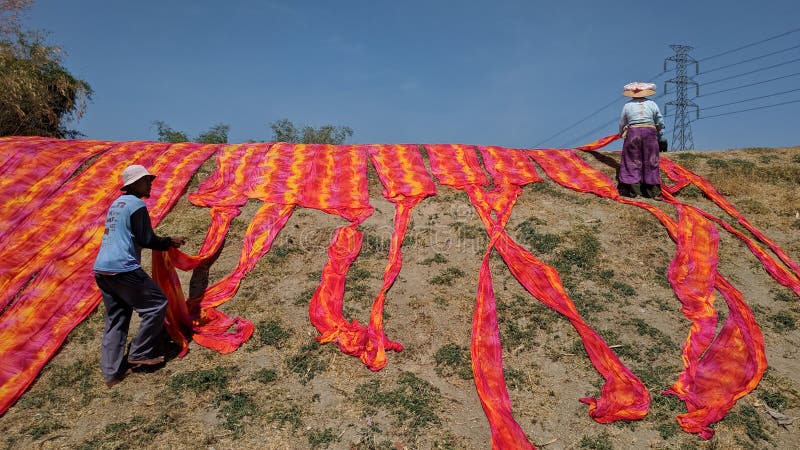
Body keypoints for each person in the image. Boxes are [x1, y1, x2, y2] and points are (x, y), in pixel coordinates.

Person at [93, 164, 186, 387]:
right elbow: (146, 239)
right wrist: (168, 242)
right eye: (146, 180)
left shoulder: (117, 204)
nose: (150, 183)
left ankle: (111, 373)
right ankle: (140, 353)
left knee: (117, 317)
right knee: (156, 304)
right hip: (123, 268)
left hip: (102, 268)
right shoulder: (136, 205)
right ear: (134, 184)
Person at [618, 81, 665, 199]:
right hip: (650, 132)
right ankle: (653, 192)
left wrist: (621, 132)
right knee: (651, 159)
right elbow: (660, 120)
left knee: (632, 159)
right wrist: (659, 131)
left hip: (633, 133)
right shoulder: (652, 104)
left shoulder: (627, 106)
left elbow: (622, 122)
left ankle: (636, 192)